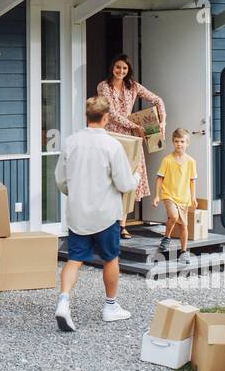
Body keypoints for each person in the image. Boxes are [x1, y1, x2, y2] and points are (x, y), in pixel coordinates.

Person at [53, 96, 138, 332]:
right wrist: (137, 178)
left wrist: (76, 193)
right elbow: (124, 184)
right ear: (107, 117)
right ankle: (110, 306)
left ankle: (63, 300)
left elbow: (60, 180)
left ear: (86, 116)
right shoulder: (112, 146)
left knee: (74, 259)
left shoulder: (71, 142)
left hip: (78, 213)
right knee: (110, 258)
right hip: (105, 214)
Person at [95, 54, 166, 238]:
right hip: (112, 135)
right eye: (118, 67)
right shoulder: (103, 86)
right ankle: (106, 223)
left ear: (128, 70)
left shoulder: (133, 86)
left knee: (129, 177)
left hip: (131, 139)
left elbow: (157, 100)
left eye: (124, 68)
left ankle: (122, 225)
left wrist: (162, 122)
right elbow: (112, 113)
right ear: (112, 67)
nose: (121, 71)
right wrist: (136, 126)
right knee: (111, 179)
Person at [153, 128, 198, 265]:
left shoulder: (191, 161)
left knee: (184, 225)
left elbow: (192, 180)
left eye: (182, 141)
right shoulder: (167, 160)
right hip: (168, 195)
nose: (179, 144)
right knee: (173, 216)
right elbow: (159, 178)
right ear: (173, 142)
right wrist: (157, 196)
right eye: (177, 141)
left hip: (183, 197)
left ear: (187, 143)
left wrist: (193, 197)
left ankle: (183, 251)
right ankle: (167, 238)